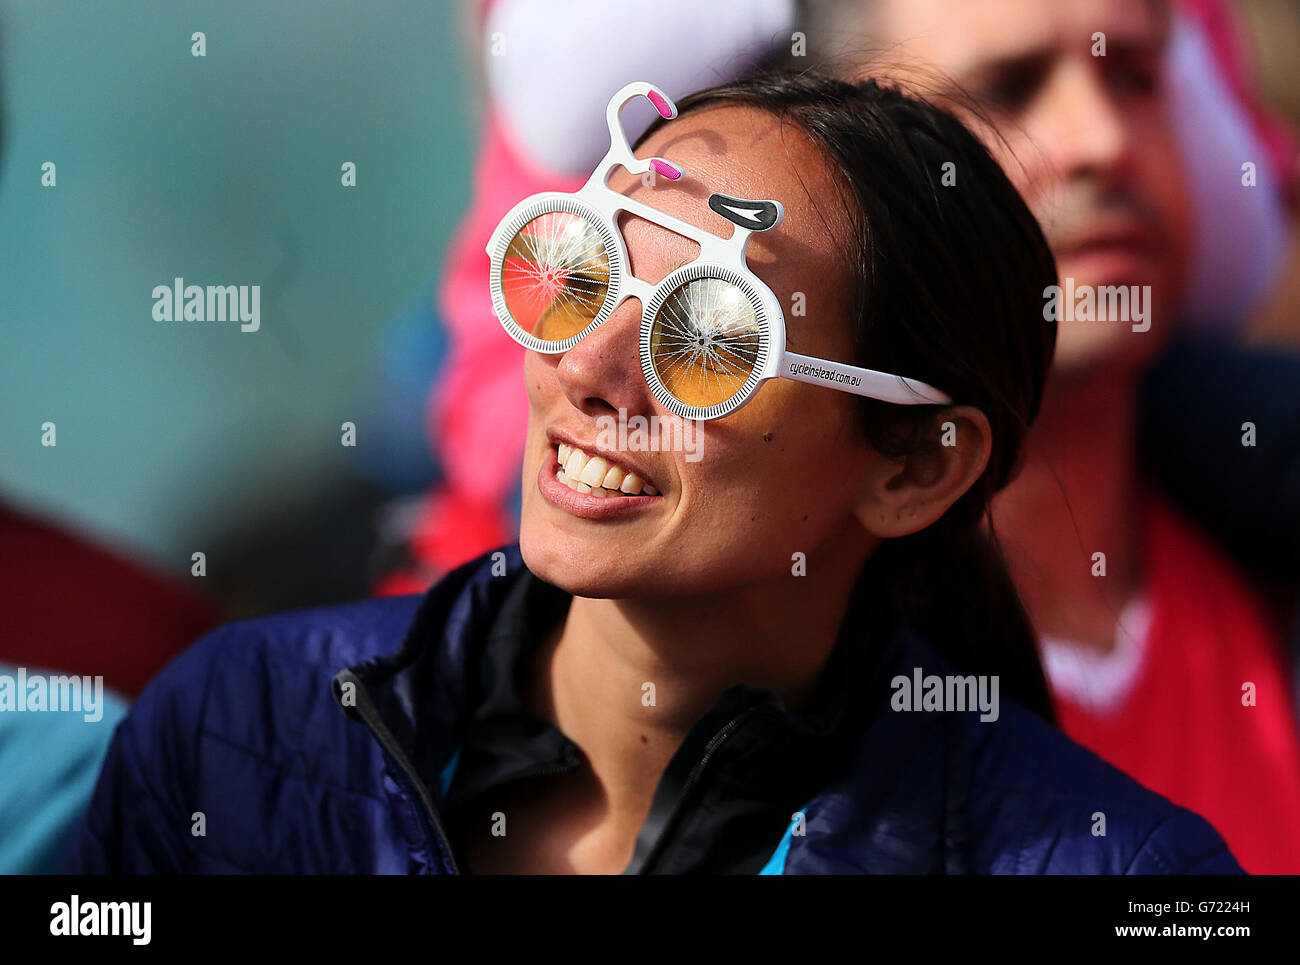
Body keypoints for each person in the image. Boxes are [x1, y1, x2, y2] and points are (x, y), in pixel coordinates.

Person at [63, 72, 1240, 874]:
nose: (585, 364)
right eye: (574, 275)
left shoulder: (1113, 867)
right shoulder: (235, 729)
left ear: (918, 465)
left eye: (712, 336)